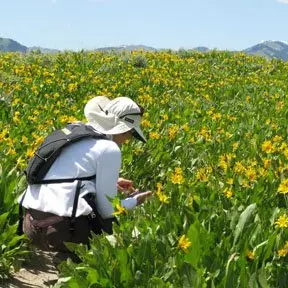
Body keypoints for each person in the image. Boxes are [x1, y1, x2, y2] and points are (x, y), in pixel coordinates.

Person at [18, 96, 152, 261]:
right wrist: (134, 201)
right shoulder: (109, 148)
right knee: (115, 226)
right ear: (124, 129)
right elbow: (107, 210)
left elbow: (65, 176)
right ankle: (74, 259)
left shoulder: (75, 132)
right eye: (131, 134)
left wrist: (110, 183)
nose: (128, 140)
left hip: (30, 225)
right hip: (60, 232)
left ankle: (64, 253)